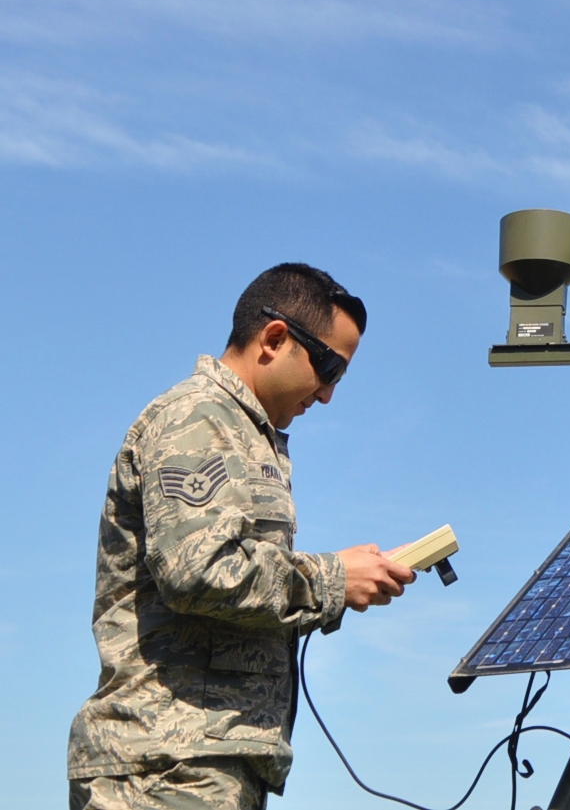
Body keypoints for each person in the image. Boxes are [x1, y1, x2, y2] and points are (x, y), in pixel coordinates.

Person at [68, 263, 417, 810]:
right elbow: (198, 571)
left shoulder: (244, 432)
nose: (328, 394)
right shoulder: (196, 418)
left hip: (204, 762)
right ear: (274, 339)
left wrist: (344, 582)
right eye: (329, 367)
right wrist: (331, 578)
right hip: (165, 766)